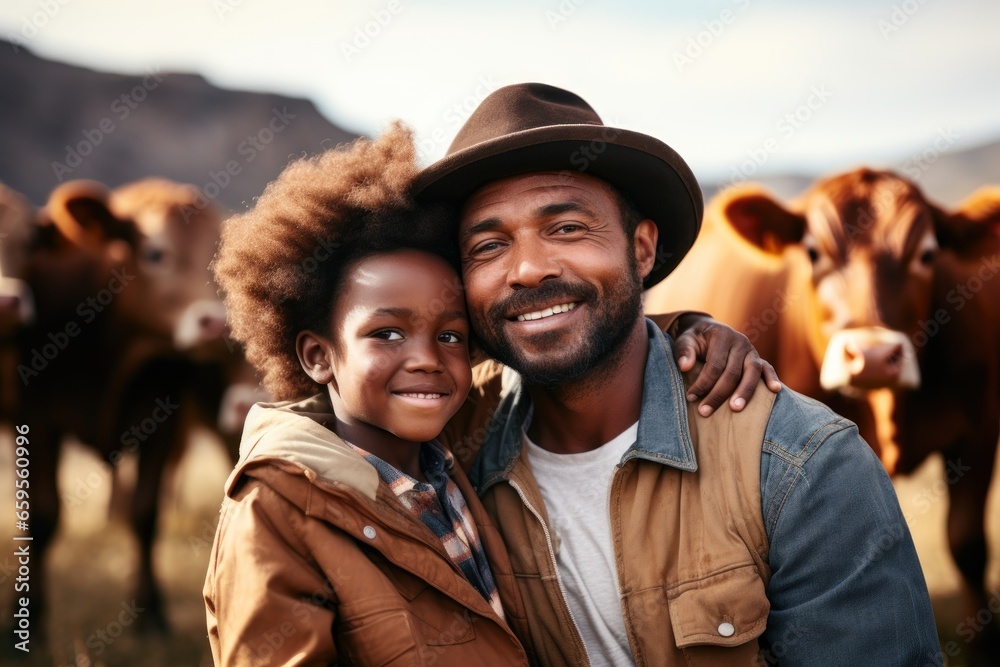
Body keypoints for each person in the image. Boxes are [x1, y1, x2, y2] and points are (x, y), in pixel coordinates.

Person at [202, 122, 776, 665]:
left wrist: (688, 331)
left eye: (450, 335)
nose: (426, 358)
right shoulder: (278, 509)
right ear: (317, 355)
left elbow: (581, 341)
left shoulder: (454, 441)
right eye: (386, 333)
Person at [416, 83, 943, 665]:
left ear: (642, 250)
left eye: (566, 228)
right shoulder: (439, 448)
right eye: (488, 245)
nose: (528, 269)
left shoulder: (805, 466)